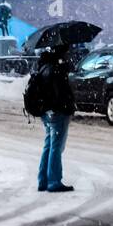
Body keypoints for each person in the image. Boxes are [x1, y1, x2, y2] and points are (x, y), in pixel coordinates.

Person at [32, 45, 75, 193]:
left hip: (47, 112)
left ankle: (43, 180)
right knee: (56, 147)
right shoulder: (56, 70)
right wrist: (67, 107)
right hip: (58, 112)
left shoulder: (43, 67)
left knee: (49, 146)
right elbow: (60, 94)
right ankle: (54, 182)